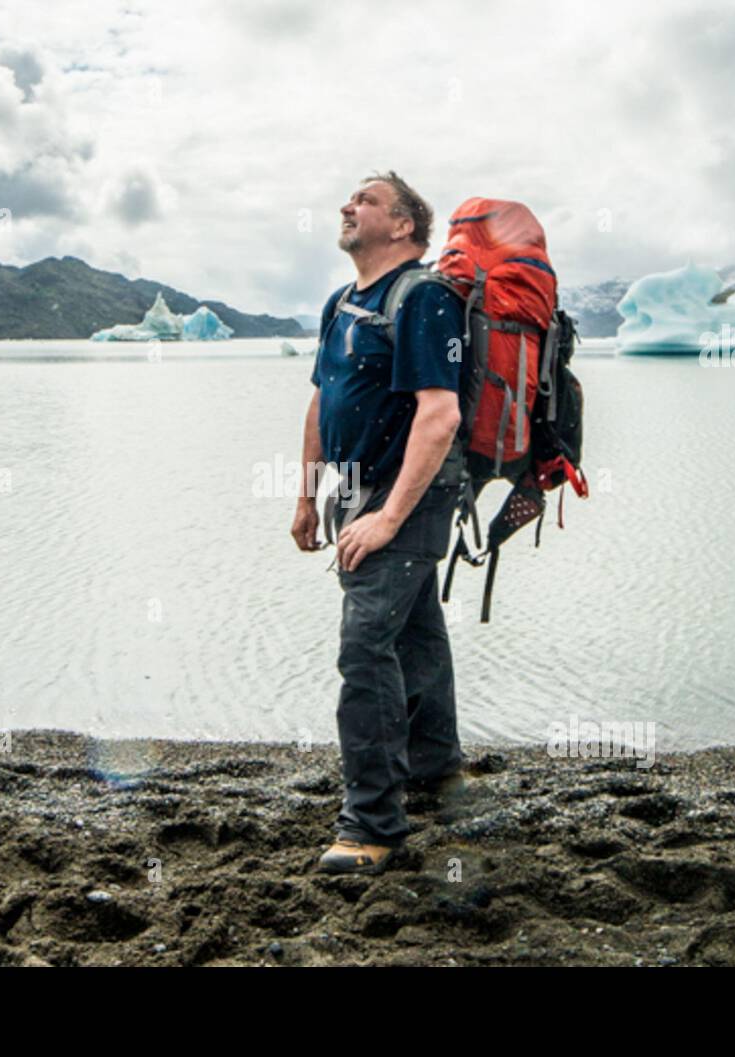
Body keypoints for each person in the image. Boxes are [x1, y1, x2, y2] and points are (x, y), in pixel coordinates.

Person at [290, 171, 468, 875]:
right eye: (350, 198)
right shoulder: (342, 301)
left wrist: (391, 518)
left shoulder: (422, 296)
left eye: (364, 200)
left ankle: (373, 822)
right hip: (359, 490)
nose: (346, 205)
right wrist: (308, 496)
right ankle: (435, 767)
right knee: (414, 624)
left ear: (402, 226)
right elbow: (319, 400)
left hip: (410, 495)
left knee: (365, 647)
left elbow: (441, 413)